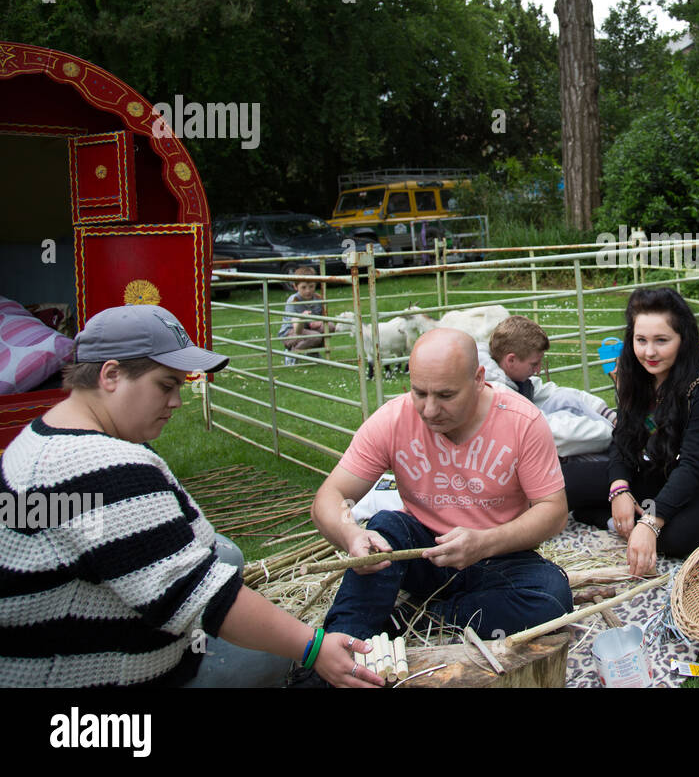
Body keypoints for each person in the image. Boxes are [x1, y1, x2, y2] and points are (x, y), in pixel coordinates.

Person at [0, 304, 383, 688]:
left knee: (227, 553)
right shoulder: (103, 467)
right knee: (267, 658)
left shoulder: (42, 438)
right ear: (111, 375)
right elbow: (202, 597)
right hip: (74, 677)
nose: (176, 402)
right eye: (166, 385)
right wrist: (312, 646)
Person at [304, 327, 572, 676]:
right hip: (421, 550)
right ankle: (341, 653)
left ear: (478, 379)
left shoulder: (522, 421)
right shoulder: (393, 418)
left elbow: (553, 511)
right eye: (419, 393)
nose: (429, 410)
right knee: (384, 527)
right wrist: (349, 534)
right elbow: (329, 497)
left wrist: (485, 542)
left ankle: (419, 617)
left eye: (446, 395)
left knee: (552, 597)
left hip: (497, 555)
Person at [564, 288, 699, 576]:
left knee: (674, 537)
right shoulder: (633, 375)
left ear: (682, 339)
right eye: (641, 340)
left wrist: (651, 522)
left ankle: (624, 523)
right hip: (659, 472)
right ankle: (625, 518)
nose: (649, 352)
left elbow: (693, 466)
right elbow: (622, 440)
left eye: (661, 340)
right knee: (568, 481)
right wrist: (619, 489)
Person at [479, 315, 616, 459]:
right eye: (534, 364)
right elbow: (549, 434)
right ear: (511, 360)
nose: (538, 370)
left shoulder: (510, 377)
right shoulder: (497, 397)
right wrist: (611, 433)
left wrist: (609, 416)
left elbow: (556, 394)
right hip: (514, 465)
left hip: (525, 454)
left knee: (563, 398)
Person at [278, 265, 331, 365]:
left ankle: (312, 353)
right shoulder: (293, 301)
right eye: (303, 287)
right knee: (316, 336)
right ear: (295, 286)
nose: (308, 291)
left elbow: (323, 319)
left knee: (329, 327)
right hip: (291, 333)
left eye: (311, 286)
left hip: (307, 330)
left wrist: (319, 322)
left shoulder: (318, 299)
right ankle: (293, 353)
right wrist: (302, 318)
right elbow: (297, 330)